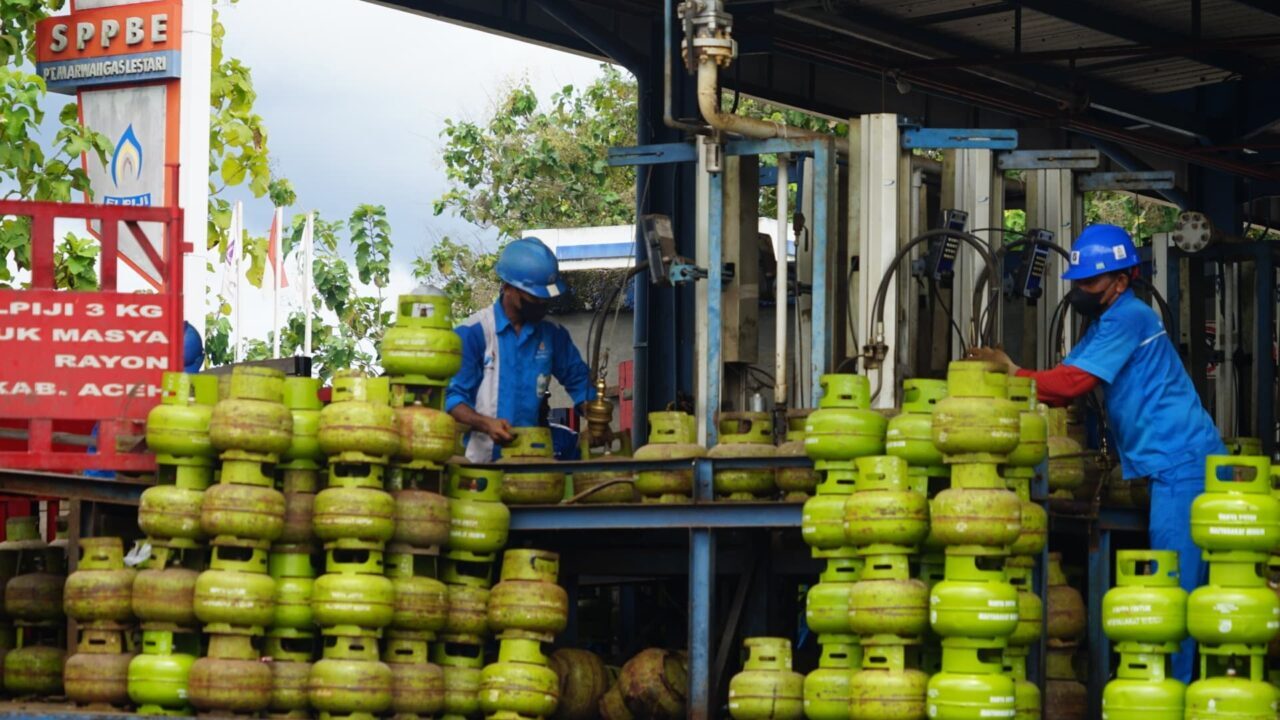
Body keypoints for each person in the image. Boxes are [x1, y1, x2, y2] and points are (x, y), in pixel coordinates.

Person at [971, 223, 1224, 683]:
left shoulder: (1130, 317)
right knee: (1179, 592)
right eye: (1078, 283)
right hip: (1171, 467)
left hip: (1183, 466)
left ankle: (1177, 698)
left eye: (1090, 282)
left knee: (1178, 597)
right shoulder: (1108, 322)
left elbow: (1070, 384)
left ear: (1121, 282)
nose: (1080, 291)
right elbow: (1063, 385)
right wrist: (1014, 375)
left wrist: (1010, 372)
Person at [445, 237, 596, 462]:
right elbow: (452, 398)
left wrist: (595, 415)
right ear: (508, 288)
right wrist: (486, 424)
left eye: (546, 300)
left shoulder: (552, 334)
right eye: (534, 298)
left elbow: (578, 381)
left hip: (530, 459)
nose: (542, 305)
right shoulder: (474, 333)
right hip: (478, 464)